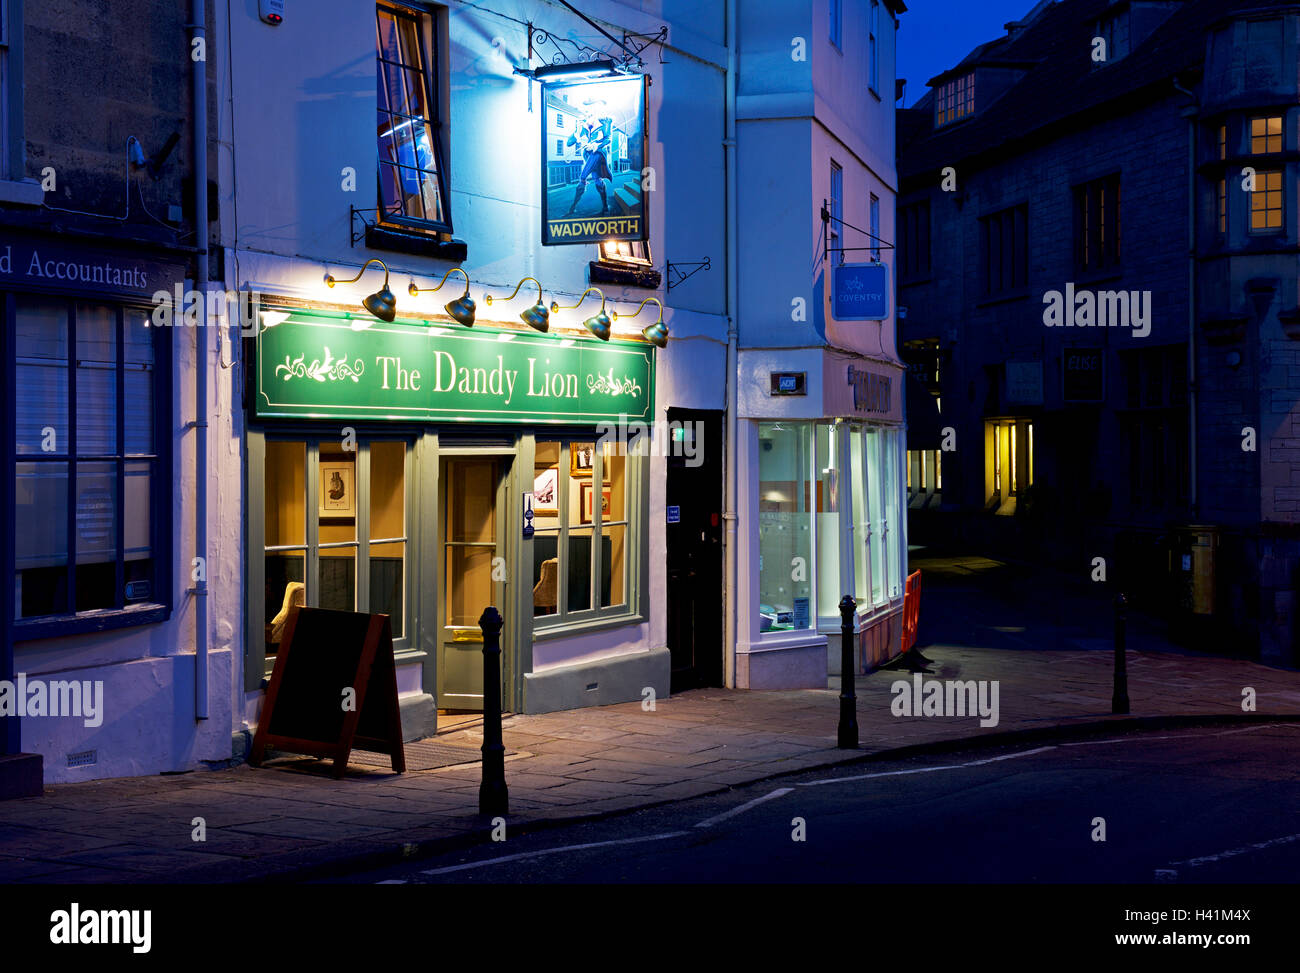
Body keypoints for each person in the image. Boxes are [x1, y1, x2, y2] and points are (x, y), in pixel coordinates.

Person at [564, 107, 613, 217]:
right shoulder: (582, 127)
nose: (587, 117)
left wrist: (596, 145)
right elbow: (568, 143)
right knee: (597, 181)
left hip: (598, 154)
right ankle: (605, 207)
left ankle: (572, 208)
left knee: (583, 177)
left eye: (590, 115)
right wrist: (577, 133)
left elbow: (608, 139)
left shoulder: (605, 123)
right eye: (586, 115)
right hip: (588, 156)